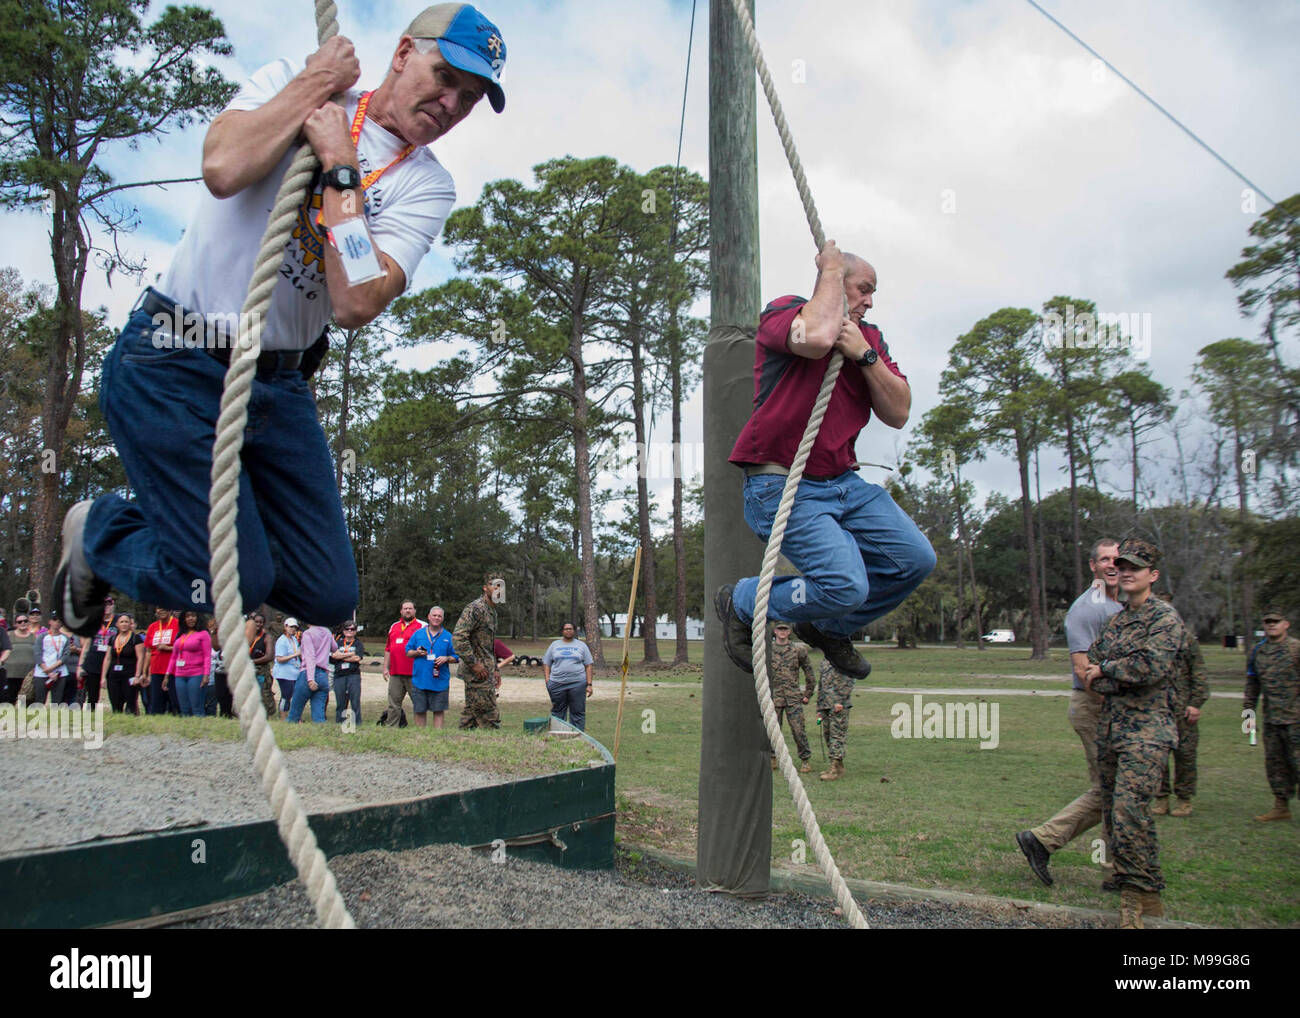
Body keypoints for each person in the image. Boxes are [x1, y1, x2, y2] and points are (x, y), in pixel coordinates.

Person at [52, 4, 510, 641]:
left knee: (328, 593)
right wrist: (314, 84)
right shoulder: (295, 82)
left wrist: (340, 167)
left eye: (470, 98)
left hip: (279, 387)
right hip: (173, 357)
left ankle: (220, 537)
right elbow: (223, 168)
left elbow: (355, 301)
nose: (451, 102)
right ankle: (99, 531)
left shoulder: (427, 186)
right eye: (445, 75)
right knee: (231, 580)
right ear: (404, 53)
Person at [716, 241, 935, 680]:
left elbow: (899, 412)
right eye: (863, 288)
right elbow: (816, 339)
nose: (870, 301)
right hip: (782, 483)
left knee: (915, 559)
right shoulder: (786, 313)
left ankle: (828, 626)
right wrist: (832, 269)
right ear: (834, 281)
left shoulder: (869, 339)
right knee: (845, 583)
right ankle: (741, 600)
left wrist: (865, 356)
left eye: (873, 294)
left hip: (844, 484)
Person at [1083, 538, 1184, 929]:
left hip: (1148, 731)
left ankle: (1131, 903)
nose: (1125, 572)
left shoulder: (1165, 619)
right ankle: (1150, 894)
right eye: (1121, 566)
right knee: (1121, 815)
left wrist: (1108, 670)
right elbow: (1092, 667)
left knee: (1129, 814)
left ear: (1152, 576)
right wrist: (1109, 672)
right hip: (1112, 730)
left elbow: (1150, 667)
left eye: (1134, 568)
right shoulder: (1117, 621)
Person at [1016, 539, 1123, 888]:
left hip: (1114, 708)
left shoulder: (1118, 604)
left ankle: (1046, 843)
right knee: (1112, 789)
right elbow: (1082, 671)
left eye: (1117, 559)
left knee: (1114, 789)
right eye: (1104, 559)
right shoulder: (1086, 610)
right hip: (1095, 707)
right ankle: (1109, 869)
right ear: (1092, 566)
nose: (1112, 564)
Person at [1244, 606, 1300, 822]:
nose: (1272, 625)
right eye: (1268, 622)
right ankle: (1281, 806)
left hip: (1296, 719)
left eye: (1276, 621)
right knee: (1275, 765)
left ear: (1286, 624)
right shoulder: (1258, 651)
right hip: (1272, 719)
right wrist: (1248, 717)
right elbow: (1252, 685)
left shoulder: (1296, 649)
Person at [1154, 613, 1208, 817]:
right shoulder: (1150, 637)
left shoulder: (1186, 639)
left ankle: (1184, 799)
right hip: (1157, 708)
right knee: (1158, 756)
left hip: (1183, 708)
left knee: (1185, 755)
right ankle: (1161, 798)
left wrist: (1196, 703)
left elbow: (1199, 673)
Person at [452, 573, 503, 729]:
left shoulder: (492, 611)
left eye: (501, 586)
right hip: (477, 673)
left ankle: (460, 743)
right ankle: (492, 748)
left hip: (487, 671)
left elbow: (487, 644)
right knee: (489, 716)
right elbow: (459, 638)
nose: (498, 589)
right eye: (493, 585)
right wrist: (474, 664)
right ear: (485, 588)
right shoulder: (475, 608)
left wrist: (494, 668)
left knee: (471, 714)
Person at [768, 622, 816, 773]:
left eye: (785, 629)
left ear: (789, 632)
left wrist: (808, 694)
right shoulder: (768, 650)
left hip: (793, 698)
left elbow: (809, 673)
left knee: (798, 730)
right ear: (775, 631)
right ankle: (772, 757)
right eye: (779, 629)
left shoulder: (798, 650)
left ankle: (805, 760)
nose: (782, 632)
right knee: (773, 730)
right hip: (774, 698)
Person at [406, 606, 457, 728]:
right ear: (429, 617)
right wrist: (416, 653)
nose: (436, 618)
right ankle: (421, 736)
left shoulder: (448, 636)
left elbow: (457, 657)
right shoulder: (418, 634)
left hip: (440, 682)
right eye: (434, 615)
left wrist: (447, 658)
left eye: (439, 616)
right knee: (419, 710)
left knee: (438, 711)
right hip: (420, 680)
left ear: (442, 619)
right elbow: (408, 652)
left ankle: (437, 737)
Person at [542, 621, 594, 730]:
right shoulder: (554, 645)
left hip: (577, 684)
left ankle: (577, 736)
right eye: (566, 629)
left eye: (570, 629)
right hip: (557, 683)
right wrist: (548, 680)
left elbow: (588, 665)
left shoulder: (581, 646)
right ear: (562, 631)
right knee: (558, 712)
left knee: (578, 711)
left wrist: (589, 684)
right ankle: (557, 735)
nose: (568, 631)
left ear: (574, 631)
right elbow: (546, 663)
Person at [165, 611, 212, 718]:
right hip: (179, 675)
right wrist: (167, 674)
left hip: (196, 674)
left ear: (198, 617)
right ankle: (186, 731)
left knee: (196, 708)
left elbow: (207, 656)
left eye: (193, 616)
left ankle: (199, 732)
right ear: (183, 619)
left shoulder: (203, 634)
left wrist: (206, 675)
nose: (190, 619)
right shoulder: (181, 634)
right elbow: (173, 657)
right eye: (187, 616)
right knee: (184, 708)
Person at [816, 660, 856, 781]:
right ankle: (837, 765)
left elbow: (849, 681)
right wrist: (819, 706)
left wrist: (840, 700)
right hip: (826, 705)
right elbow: (821, 685)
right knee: (828, 735)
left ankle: (834, 770)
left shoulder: (844, 658)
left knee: (837, 735)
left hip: (839, 705)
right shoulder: (824, 662)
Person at [288, 622, 335, 723]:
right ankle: (322, 734)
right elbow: (334, 648)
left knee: (295, 712)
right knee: (319, 715)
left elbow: (310, 657)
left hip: (308, 673)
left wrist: (310, 679)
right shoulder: (327, 632)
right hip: (323, 675)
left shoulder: (308, 634)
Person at [383, 600, 420, 726]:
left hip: (414, 673)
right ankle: (391, 727)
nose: (408, 611)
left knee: (418, 702)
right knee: (393, 703)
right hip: (395, 672)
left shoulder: (422, 626)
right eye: (405, 608)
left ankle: (420, 729)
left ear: (415, 610)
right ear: (401, 611)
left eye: (410, 608)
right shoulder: (394, 626)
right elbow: (388, 648)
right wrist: (385, 668)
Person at [76, 598, 116, 712]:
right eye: (104, 604)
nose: (107, 606)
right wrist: (80, 666)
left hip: (112, 661)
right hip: (94, 661)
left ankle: (118, 714)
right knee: (93, 694)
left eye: (110, 604)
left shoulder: (118, 621)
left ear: (113, 605)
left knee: (115, 692)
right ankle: (91, 715)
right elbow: (86, 646)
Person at [103, 614, 146, 714]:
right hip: (114, 675)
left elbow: (140, 658)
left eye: (126, 622)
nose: (124, 624)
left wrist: (137, 675)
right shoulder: (112, 639)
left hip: (130, 675)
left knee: (131, 703)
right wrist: (103, 677)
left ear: (130, 624)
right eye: (121, 622)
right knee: (115, 702)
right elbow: (108, 658)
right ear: (117, 624)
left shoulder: (136, 638)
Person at [142, 608, 180, 715]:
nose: (162, 610)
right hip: (156, 670)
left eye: (164, 607)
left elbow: (183, 646)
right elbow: (149, 651)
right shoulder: (152, 627)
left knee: (175, 703)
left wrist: (167, 648)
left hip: (174, 671)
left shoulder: (178, 624)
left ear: (170, 609)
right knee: (156, 704)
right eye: (159, 608)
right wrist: (145, 672)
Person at [31, 615, 75, 705]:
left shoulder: (65, 638)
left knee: (57, 701)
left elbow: (66, 655)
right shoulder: (42, 637)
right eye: (55, 620)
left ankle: (54, 718)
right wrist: (48, 671)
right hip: (42, 672)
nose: (57, 622)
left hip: (59, 672)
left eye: (59, 620)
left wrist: (52, 668)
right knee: (40, 700)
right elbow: (37, 654)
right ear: (50, 621)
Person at [331, 620, 366, 724]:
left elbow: (357, 658)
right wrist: (349, 654)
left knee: (355, 701)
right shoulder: (338, 643)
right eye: (347, 629)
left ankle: (357, 723)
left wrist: (341, 657)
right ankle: (340, 722)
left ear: (355, 631)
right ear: (343, 630)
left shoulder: (358, 643)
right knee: (340, 701)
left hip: (353, 675)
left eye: (352, 629)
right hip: (339, 675)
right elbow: (333, 656)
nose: (350, 631)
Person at [246, 612, 278, 719]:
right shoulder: (247, 635)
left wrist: (252, 662)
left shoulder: (266, 637)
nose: (258, 624)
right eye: (256, 622)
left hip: (261, 671)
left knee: (263, 697)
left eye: (261, 622)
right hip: (247, 671)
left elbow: (269, 656)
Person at [2, 611, 37, 704]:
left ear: (28, 622)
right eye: (20, 622)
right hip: (11, 674)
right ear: (15, 624)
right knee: (10, 699)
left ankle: (20, 717)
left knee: (23, 700)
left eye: (25, 621)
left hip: (27, 675)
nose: (23, 623)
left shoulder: (34, 637)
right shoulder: (8, 635)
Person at [272, 618, 303, 720]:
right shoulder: (282, 641)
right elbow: (279, 658)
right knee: (286, 695)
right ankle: (282, 717)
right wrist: (295, 654)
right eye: (291, 627)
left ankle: (292, 716)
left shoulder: (294, 639)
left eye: (295, 627)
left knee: (294, 695)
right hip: (284, 673)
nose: (293, 629)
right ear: (285, 627)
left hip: (294, 672)